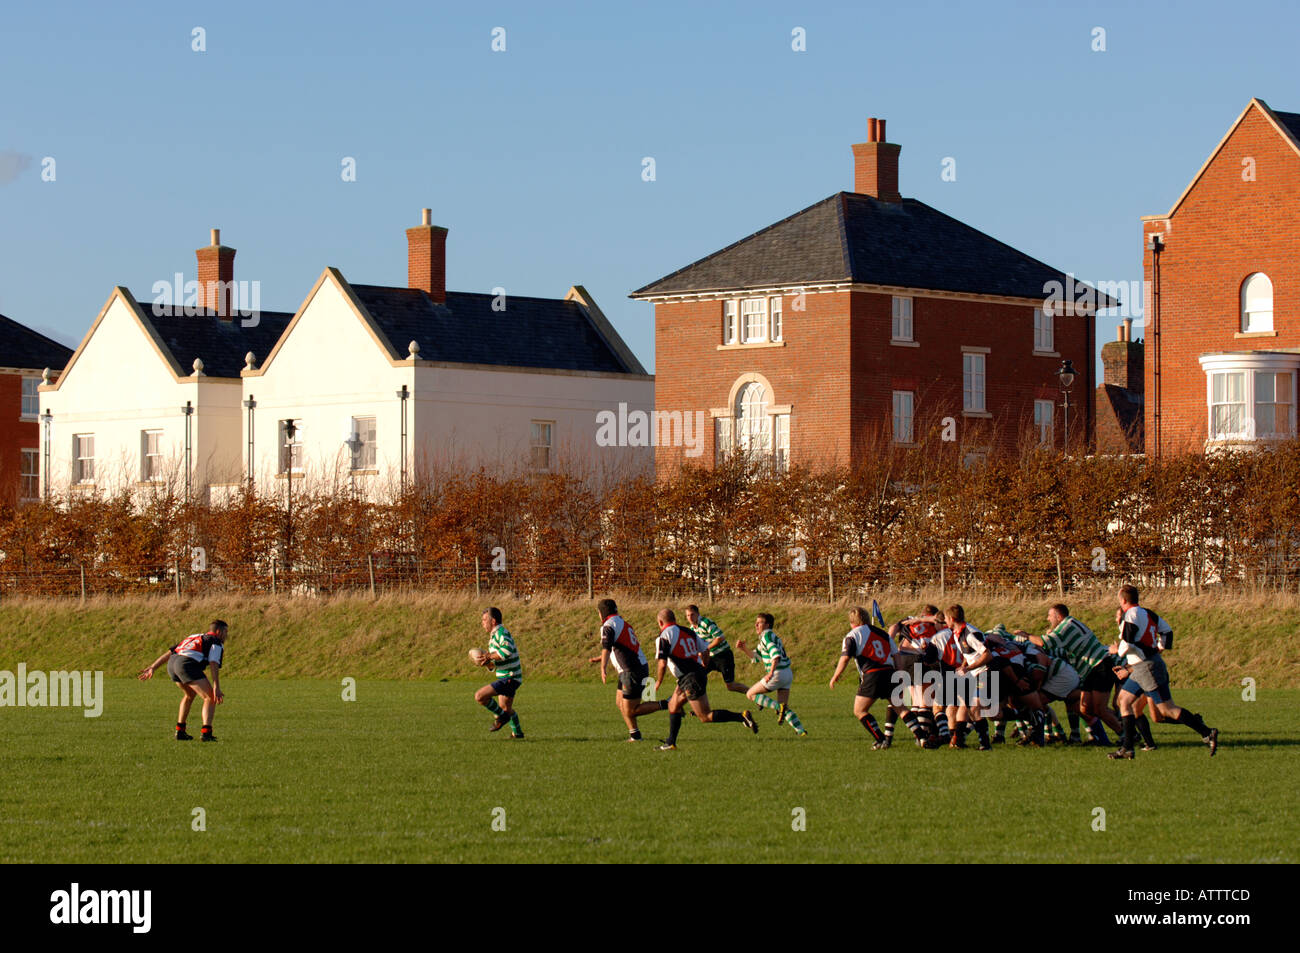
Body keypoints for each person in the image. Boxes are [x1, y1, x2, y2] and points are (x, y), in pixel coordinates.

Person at [1109, 586, 1218, 760]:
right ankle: (1127, 748)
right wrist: (1156, 648)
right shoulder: (1148, 613)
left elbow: (1128, 643)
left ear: (1123, 600)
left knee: (1166, 710)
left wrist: (1117, 651)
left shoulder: (1130, 615)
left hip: (1147, 668)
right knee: (1123, 701)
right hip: (1140, 667)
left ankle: (1207, 732)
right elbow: (1167, 632)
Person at [653, 609, 757, 750]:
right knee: (673, 705)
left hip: (690, 678)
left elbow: (662, 663)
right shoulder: (688, 631)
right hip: (692, 675)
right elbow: (705, 650)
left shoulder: (664, 636)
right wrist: (704, 666)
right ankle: (670, 743)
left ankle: (741, 717)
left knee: (705, 716)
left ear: (660, 622)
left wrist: (658, 681)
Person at [830, 607, 929, 749]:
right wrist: (900, 673)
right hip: (889, 672)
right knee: (900, 707)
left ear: (852, 622)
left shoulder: (852, 635)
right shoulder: (883, 634)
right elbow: (896, 655)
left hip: (872, 674)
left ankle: (881, 739)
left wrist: (835, 675)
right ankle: (923, 737)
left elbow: (845, 658)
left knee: (859, 711)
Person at [1023, 604, 1121, 746]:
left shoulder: (1066, 626)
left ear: (1058, 616)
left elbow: (1044, 643)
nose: (1047, 618)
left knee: (1099, 709)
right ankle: (1102, 739)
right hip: (1090, 670)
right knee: (1084, 707)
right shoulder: (1070, 624)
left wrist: (1025, 635)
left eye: (1050, 615)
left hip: (1099, 666)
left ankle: (1126, 734)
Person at [588, 598, 668, 741]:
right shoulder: (622, 623)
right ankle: (635, 735)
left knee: (631, 709)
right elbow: (621, 648)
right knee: (620, 703)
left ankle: (667, 703)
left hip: (632, 670)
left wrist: (603, 668)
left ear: (601, 613)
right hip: (631, 669)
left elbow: (607, 648)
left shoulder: (608, 625)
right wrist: (599, 659)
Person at [138, 620, 228, 741]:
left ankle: (180, 731)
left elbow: (171, 652)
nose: (227, 636)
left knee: (189, 694)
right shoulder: (215, 641)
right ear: (219, 632)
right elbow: (213, 663)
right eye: (225, 632)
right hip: (186, 664)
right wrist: (216, 686)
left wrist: (153, 666)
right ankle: (206, 733)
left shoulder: (194, 636)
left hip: (172, 664)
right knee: (210, 697)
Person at [736, 613, 807, 736]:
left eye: (760, 622)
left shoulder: (766, 637)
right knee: (784, 707)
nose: (756, 625)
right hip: (787, 674)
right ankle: (800, 730)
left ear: (767, 625)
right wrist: (744, 649)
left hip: (778, 673)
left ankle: (778, 708)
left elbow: (775, 655)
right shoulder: (770, 636)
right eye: (756, 622)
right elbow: (756, 656)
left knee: (751, 694)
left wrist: (770, 673)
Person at [472, 607, 523, 740]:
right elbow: (497, 661)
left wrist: (489, 657)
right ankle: (517, 734)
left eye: (484, 620)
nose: (482, 623)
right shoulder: (494, 636)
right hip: (507, 676)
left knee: (480, 696)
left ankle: (503, 718)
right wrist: (488, 664)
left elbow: (507, 651)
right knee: (505, 708)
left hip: (510, 677)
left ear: (493, 621)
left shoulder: (501, 633)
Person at [684, 605, 748, 695]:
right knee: (695, 677)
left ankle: (754, 693)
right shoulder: (692, 629)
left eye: (692, 615)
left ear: (698, 614)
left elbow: (720, 637)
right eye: (688, 615)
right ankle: (699, 703)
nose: (690, 618)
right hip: (710, 658)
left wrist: (706, 649)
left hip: (723, 655)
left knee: (730, 686)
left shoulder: (705, 623)